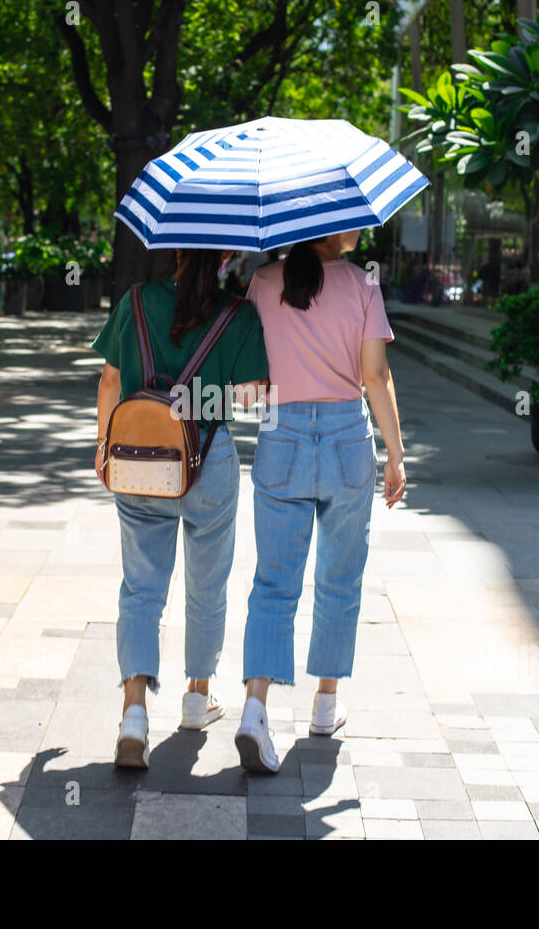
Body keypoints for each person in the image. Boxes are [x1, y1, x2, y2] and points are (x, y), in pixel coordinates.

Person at [234, 230, 406, 773]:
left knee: (273, 581)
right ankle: (325, 705)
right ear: (335, 227)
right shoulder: (362, 285)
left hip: (281, 435)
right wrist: (397, 453)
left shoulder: (262, 282)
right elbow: (375, 375)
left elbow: (246, 380)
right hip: (346, 443)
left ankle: (255, 709)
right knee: (340, 576)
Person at [92, 250, 269, 768]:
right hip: (206, 460)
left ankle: (133, 712)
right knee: (208, 586)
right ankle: (197, 696)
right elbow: (249, 399)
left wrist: (104, 446)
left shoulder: (136, 302)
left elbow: (108, 381)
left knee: (141, 588)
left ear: (173, 249)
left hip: (138, 458)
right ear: (229, 256)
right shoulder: (238, 315)